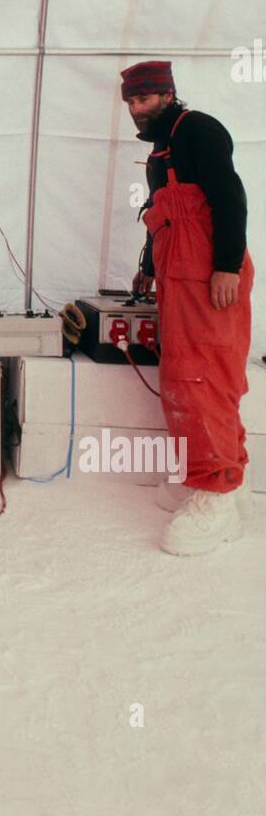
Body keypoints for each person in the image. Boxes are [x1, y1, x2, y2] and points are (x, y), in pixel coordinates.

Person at [122, 60, 254, 557]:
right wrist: (149, 266)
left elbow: (229, 199)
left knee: (207, 380)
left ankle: (217, 491)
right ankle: (205, 472)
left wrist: (226, 267)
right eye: (132, 102)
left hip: (210, 278)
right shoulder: (160, 150)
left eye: (146, 99)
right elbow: (162, 217)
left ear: (168, 95)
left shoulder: (198, 129)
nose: (138, 109)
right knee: (181, 376)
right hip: (178, 278)